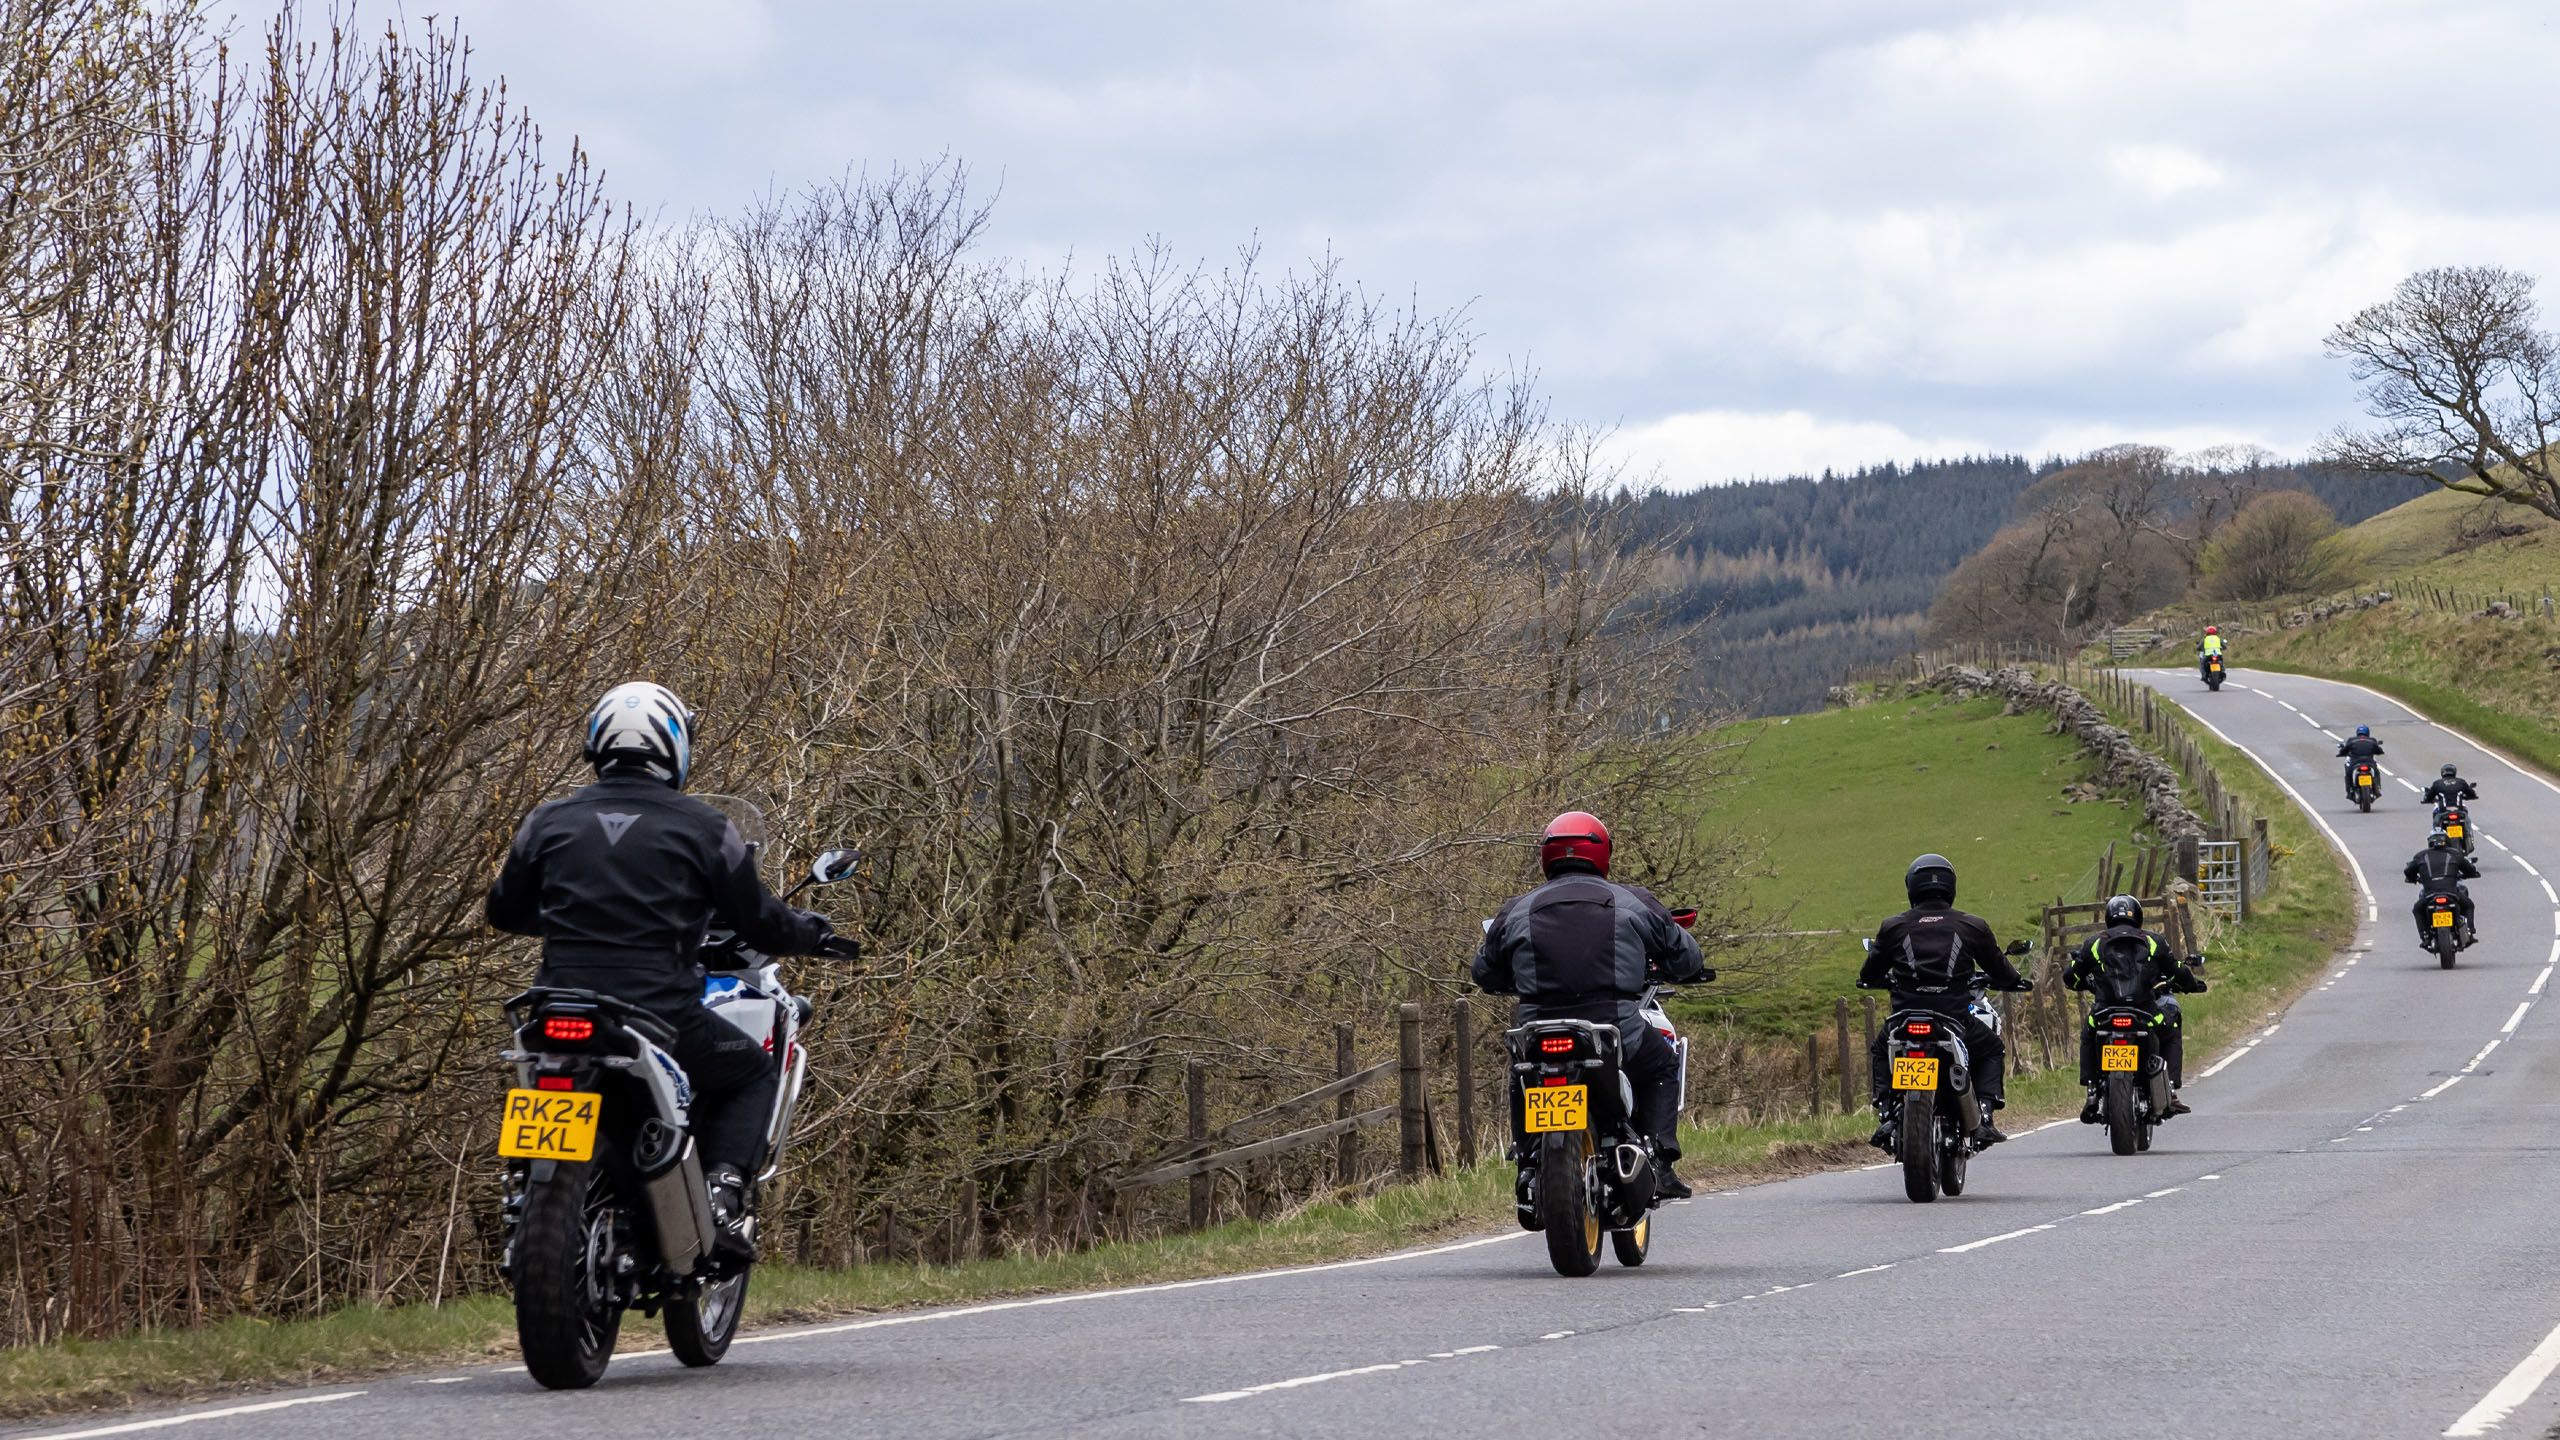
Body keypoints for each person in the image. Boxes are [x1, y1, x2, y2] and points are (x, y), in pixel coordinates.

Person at [487, 681, 844, 1259]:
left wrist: (569, 920)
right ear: (676, 747)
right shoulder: (705, 828)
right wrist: (813, 932)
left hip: (554, 1007)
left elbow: (503, 911)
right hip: (658, 1014)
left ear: (597, 742)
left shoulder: (546, 821)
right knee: (753, 1072)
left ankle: (525, 1196)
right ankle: (724, 1196)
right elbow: (760, 922)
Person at [1473, 811, 1710, 1200]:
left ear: (1546, 857)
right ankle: (1660, 1160)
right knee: (1664, 1063)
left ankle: (1528, 1161)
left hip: (1539, 1029)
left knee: (1522, 1072)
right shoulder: (1632, 901)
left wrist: (1512, 976)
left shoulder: (1516, 909)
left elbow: (1483, 971)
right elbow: (1687, 958)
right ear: (1603, 853)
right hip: (1613, 1027)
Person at [1858, 854, 2032, 1149]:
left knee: (1879, 1049)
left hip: (1904, 1019)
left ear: (1911, 887)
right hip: (1954, 1019)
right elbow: (1999, 968)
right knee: (1992, 1048)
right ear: (1951, 886)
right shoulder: (1972, 925)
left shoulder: (1893, 926)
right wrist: (2013, 980)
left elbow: (1869, 973)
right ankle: (1985, 1116)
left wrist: (1878, 979)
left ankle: (1886, 1112)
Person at [2066, 895, 2205, 1123]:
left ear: (2109, 917)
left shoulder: (2094, 943)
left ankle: (2091, 1091)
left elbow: (2070, 975)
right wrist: (2191, 984)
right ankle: (2169, 1088)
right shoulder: (2153, 941)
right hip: (2146, 1012)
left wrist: (2080, 983)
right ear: (2138, 917)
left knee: (2088, 1034)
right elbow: (2175, 969)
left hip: (2103, 1013)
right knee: (2171, 1031)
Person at [2403, 828, 2482, 944]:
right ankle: (2470, 931)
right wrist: (2471, 873)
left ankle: (2424, 935)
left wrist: (2412, 878)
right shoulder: (2455, 854)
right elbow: (2470, 869)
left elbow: (2408, 871)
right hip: (2452, 893)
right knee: (2469, 905)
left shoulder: (2421, 856)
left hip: (2430, 895)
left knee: (2417, 909)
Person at [2336, 725, 2385, 802]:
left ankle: (2350, 791)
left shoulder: (2351, 740)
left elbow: (2344, 750)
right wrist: (2380, 752)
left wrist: (2341, 753)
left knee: (2348, 774)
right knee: (2376, 772)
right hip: (2369, 762)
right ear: (2367, 733)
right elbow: (2379, 751)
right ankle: (2377, 788)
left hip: (2355, 763)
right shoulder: (2372, 740)